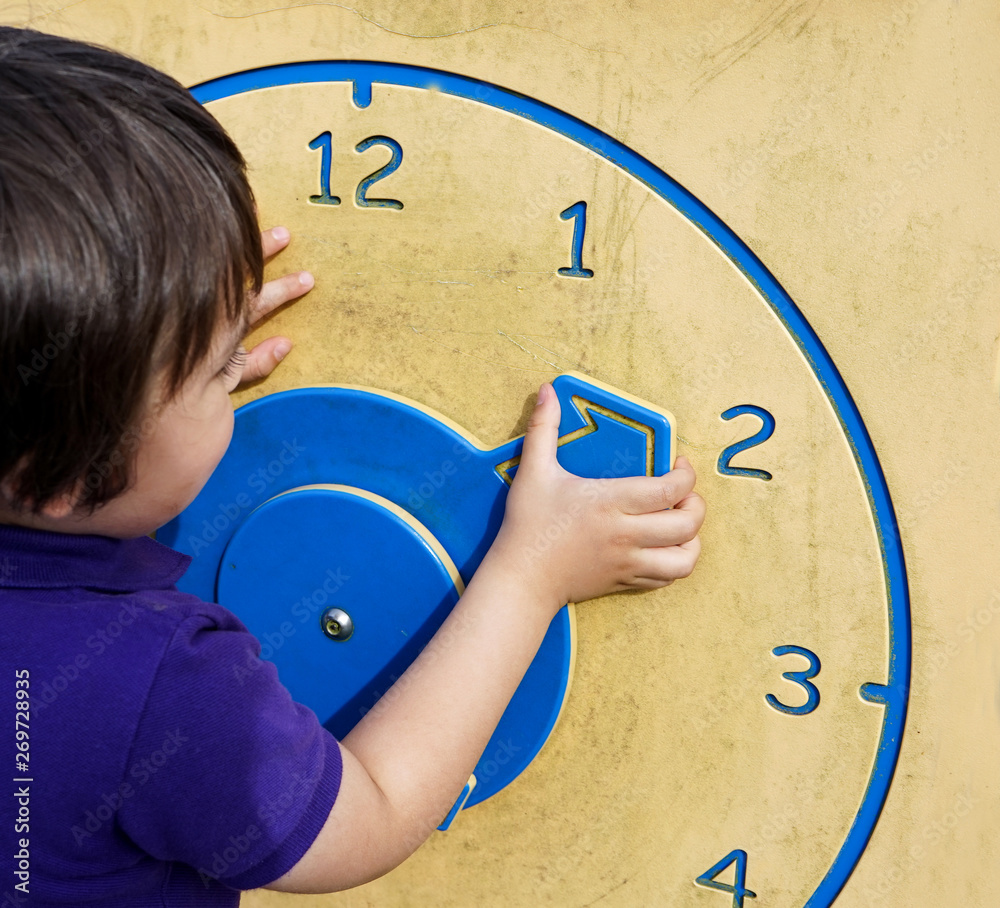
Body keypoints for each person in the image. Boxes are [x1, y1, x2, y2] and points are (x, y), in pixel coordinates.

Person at [0, 26, 704, 907]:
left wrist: (148, 351)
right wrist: (531, 575)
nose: (235, 371)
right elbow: (369, 816)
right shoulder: (158, 684)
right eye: (220, 371)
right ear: (64, 476)